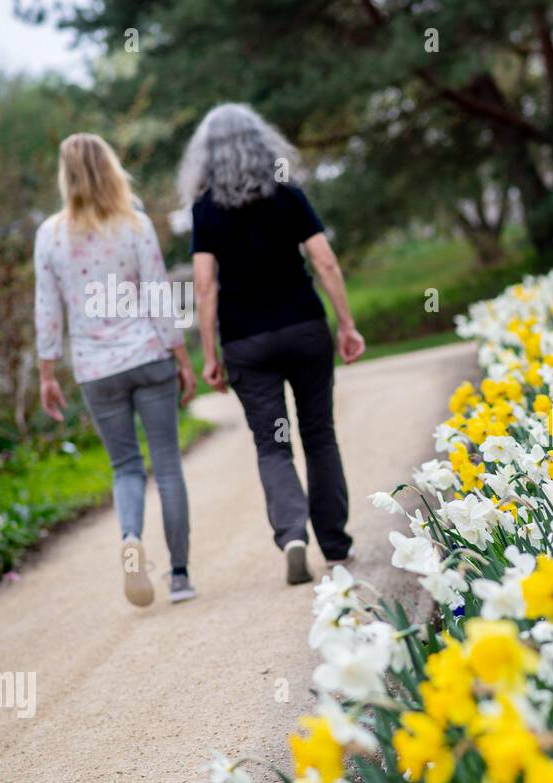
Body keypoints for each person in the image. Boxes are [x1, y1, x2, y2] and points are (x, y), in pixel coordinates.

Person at [177, 103, 366, 585]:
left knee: (273, 444)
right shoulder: (288, 194)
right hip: (303, 327)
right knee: (319, 433)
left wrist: (211, 355)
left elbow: (204, 285)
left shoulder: (205, 211)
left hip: (246, 341)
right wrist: (346, 323)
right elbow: (324, 261)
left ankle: (292, 534)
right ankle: (335, 544)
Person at [35, 133, 197, 607]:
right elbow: (159, 295)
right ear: (111, 169)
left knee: (125, 467)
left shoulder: (50, 235)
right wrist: (181, 358)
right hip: (148, 357)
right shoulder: (136, 225)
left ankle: (131, 537)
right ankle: (181, 576)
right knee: (167, 466)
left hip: (94, 369)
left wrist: (47, 372)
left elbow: (47, 309)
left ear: (66, 177)